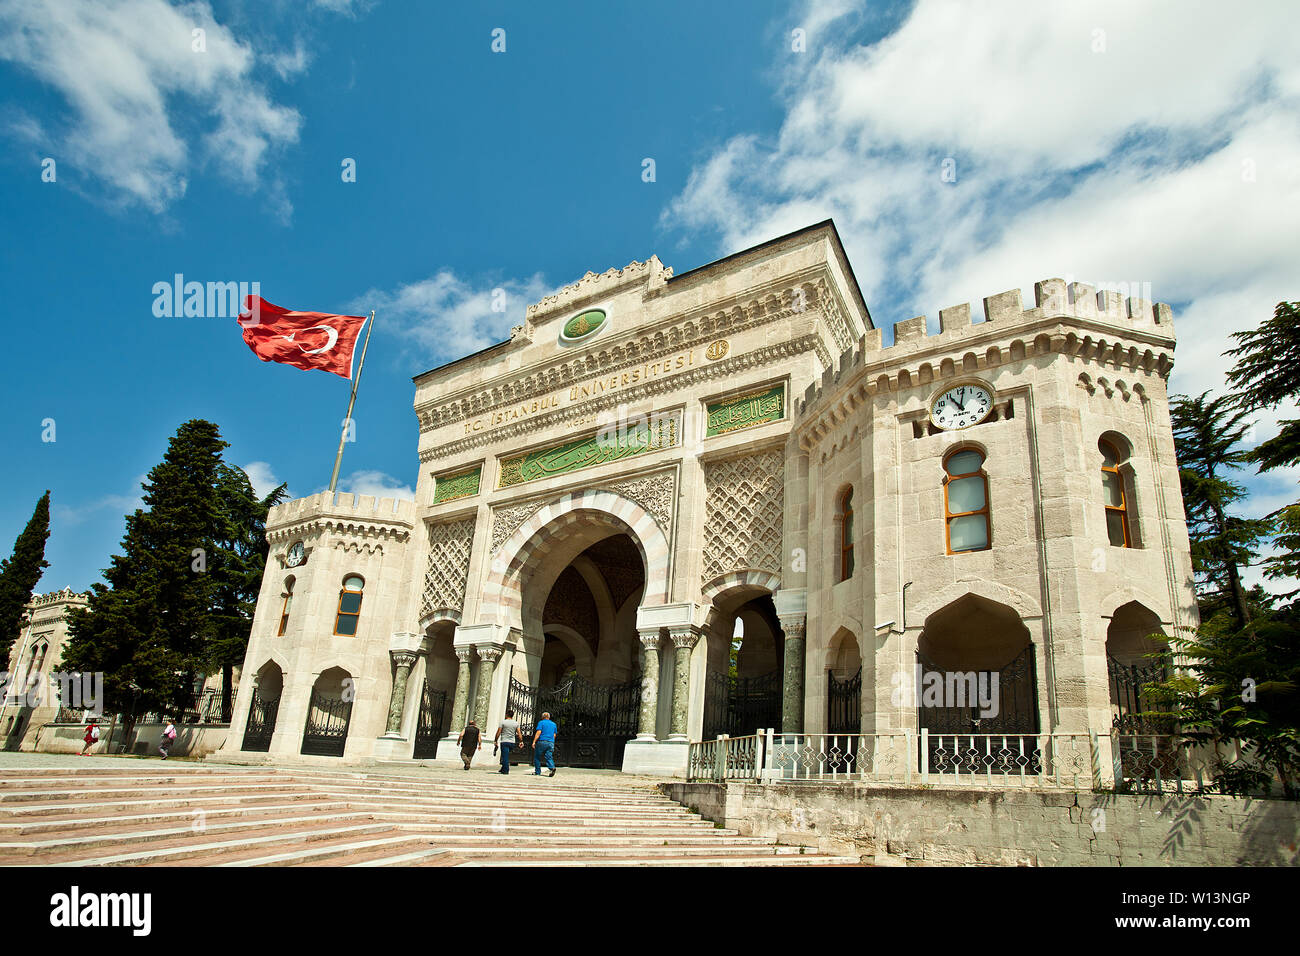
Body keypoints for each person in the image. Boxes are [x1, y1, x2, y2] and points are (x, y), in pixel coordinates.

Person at [493, 710, 520, 774]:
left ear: (507, 715)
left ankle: (506, 770)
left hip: (504, 741)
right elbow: (519, 733)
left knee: (505, 756)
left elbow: (499, 732)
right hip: (512, 742)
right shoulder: (516, 723)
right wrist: (521, 741)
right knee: (506, 755)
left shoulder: (503, 722)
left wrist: (495, 740)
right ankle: (503, 768)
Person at [532, 711, 558, 777]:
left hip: (542, 741)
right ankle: (552, 767)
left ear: (542, 717)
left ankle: (537, 771)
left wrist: (534, 741)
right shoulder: (554, 724)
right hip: (550, 742)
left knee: (537, 757)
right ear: (549, 717)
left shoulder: (541, 723)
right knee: (549, 756)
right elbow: (554, 735)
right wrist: (552, 742)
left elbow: (538, 732)